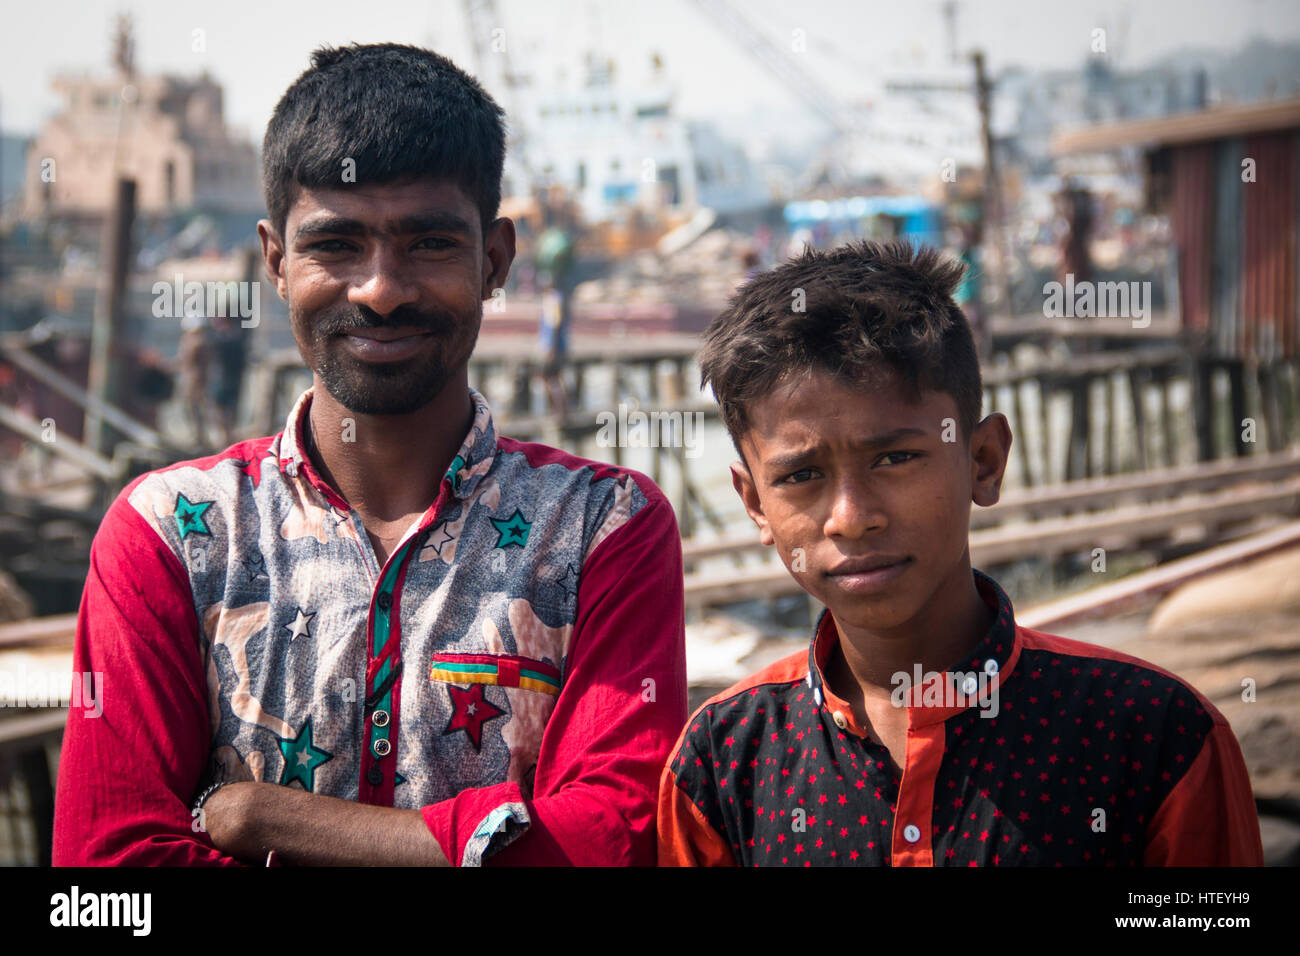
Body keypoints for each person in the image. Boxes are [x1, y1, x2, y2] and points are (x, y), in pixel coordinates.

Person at [53, 42, 686, 867]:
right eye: (336, 245)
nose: (381, 289)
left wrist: (270, 820)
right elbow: (107, 872)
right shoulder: (171, 536)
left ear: (494, 260)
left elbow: (619, 839)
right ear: (276, 262)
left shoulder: (605, 531)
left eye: (427, 244)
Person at [657, 239, 1262, 866]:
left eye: (894, 458)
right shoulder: (720, 765)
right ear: (755, 503)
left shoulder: (1156, 738)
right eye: (801, 476)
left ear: (984, 460)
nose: (852, 518)